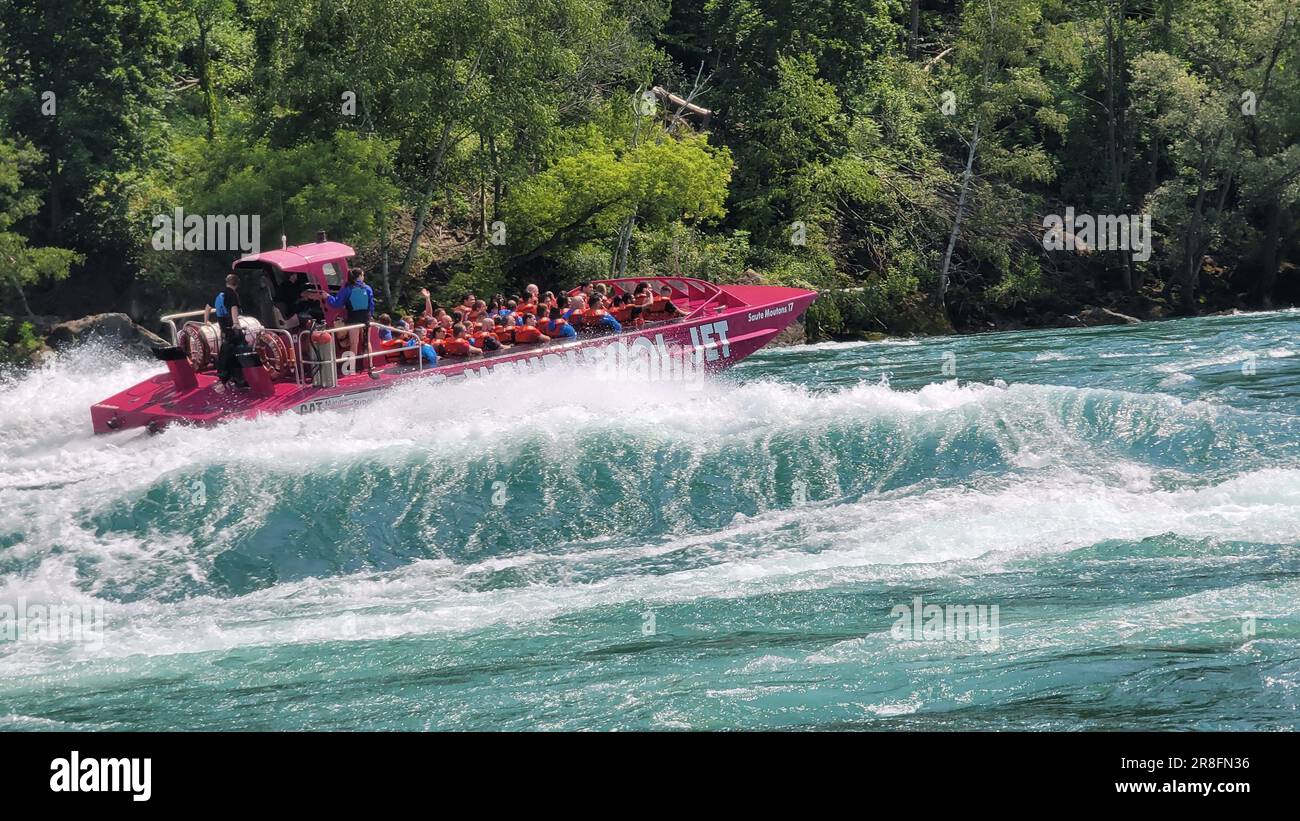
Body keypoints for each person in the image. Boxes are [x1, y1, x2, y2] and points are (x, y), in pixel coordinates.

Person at [327, 268, 380, 378]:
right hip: (366, 319)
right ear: (360, 276)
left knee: (353, 344)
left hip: (353, 320)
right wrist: (371, 316)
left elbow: (337, 304)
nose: (363, 277)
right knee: (367, 342)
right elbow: (371, 305)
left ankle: (352, 370)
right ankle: (370, 365)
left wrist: (327, 297)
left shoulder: (347, 289)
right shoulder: (367, 288)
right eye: (363, 275)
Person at [205, 273, 247, 390]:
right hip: (231, 326)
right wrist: (235, 324)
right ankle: (238, 378)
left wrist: (206, 321)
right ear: (237, 284)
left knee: (228, 348)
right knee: (241, 348)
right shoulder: (232, 294)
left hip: (223, 326)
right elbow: (234, 308)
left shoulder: (219, 293)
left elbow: (208, 307)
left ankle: (226, 375)